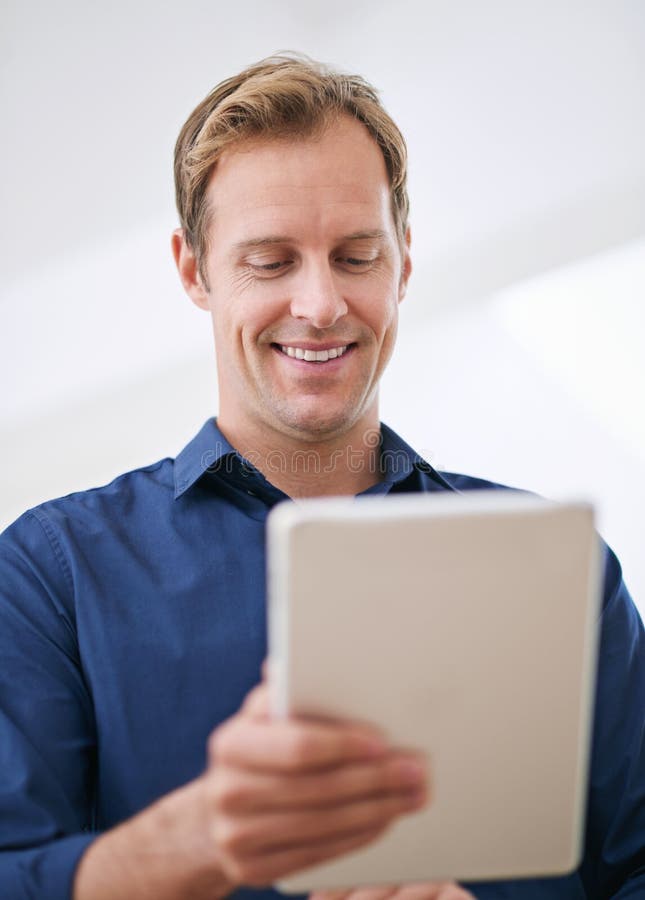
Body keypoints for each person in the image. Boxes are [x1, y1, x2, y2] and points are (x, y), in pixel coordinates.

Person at [0, 55, 643, 900]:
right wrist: (195, 839)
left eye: (355, 255)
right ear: (193, 270)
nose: (319, 305)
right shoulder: (51, 573)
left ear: (403, 261)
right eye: (270, 262)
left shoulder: (560, 570)